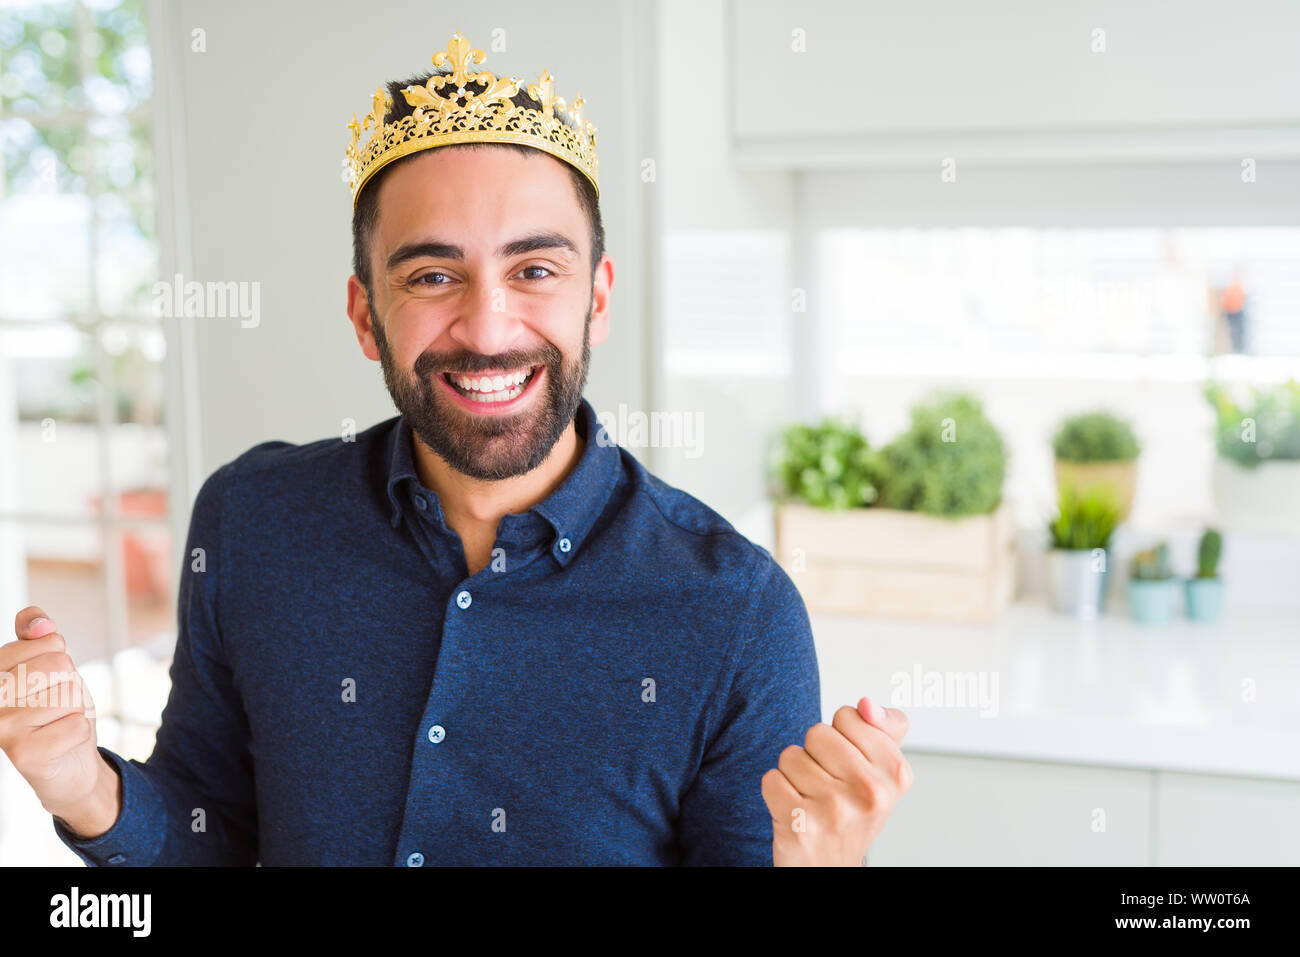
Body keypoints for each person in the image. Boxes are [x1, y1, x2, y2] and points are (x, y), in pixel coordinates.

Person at [2, 32, 911, 866]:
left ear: (596, 297)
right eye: (434, 276)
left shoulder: (737, 612)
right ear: (366, 315)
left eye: (534, 270)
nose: (487, 326)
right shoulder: (250, 519)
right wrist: (85, 786)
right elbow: (210, 831)